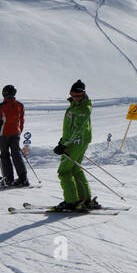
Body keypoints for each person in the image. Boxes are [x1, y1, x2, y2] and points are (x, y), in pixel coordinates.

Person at [51, 80, 95, 211]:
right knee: (75, 169)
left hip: (75, 143)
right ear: (70, 93)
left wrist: (64, 144)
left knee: (64, 172)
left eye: (80, 95)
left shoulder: (83, 109)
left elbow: (77, 129)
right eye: (75, 95)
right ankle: (85, 199)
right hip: (75, 142)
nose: (77, 98)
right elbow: (70, 128)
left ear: (84, 94)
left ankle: (71, 202)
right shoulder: (75, 106)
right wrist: (62, 140)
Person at [0, 84, 29, 187]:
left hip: (4, 134)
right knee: (16, 155)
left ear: (4, 94)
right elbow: (21, 121)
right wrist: (19, 131)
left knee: (4, 156)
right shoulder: (20, 105)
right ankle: (23, 178)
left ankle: (8, 179)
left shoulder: (1, 107)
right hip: (16, 133)